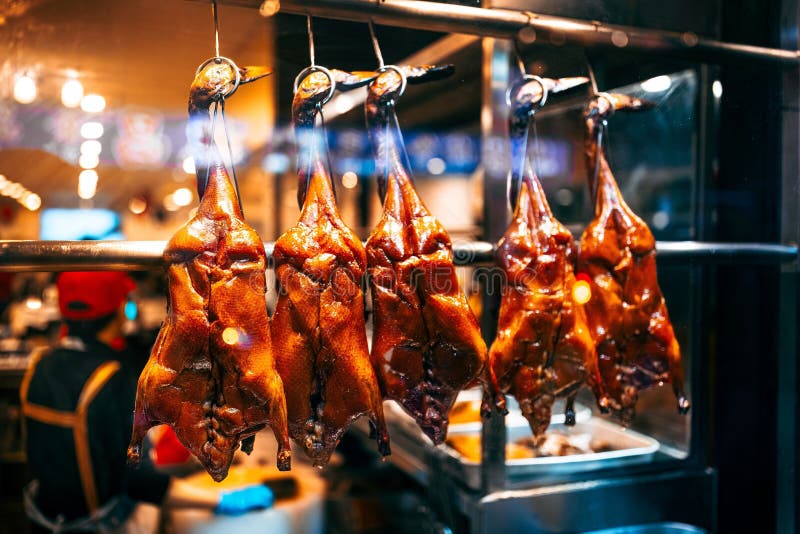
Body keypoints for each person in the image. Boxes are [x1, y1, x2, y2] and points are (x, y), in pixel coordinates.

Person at [21, 271, 275, 533]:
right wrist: (220, 501)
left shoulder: (40, 366)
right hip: (100, 526)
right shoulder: (111, 378)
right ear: (120, 308)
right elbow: (141, 483)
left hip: (44, 522)